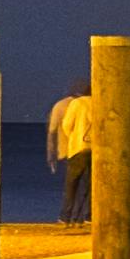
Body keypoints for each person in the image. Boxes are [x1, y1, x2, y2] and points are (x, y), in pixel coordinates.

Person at [49, 86, 93, 225]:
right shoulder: (99, 103)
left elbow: (67, 124)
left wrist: (72, 137)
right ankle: (87, 216)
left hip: (78, 148)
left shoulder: (77, 103)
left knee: (71, 184)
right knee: (89, 185)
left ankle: (66, 216)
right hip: (96, 150)